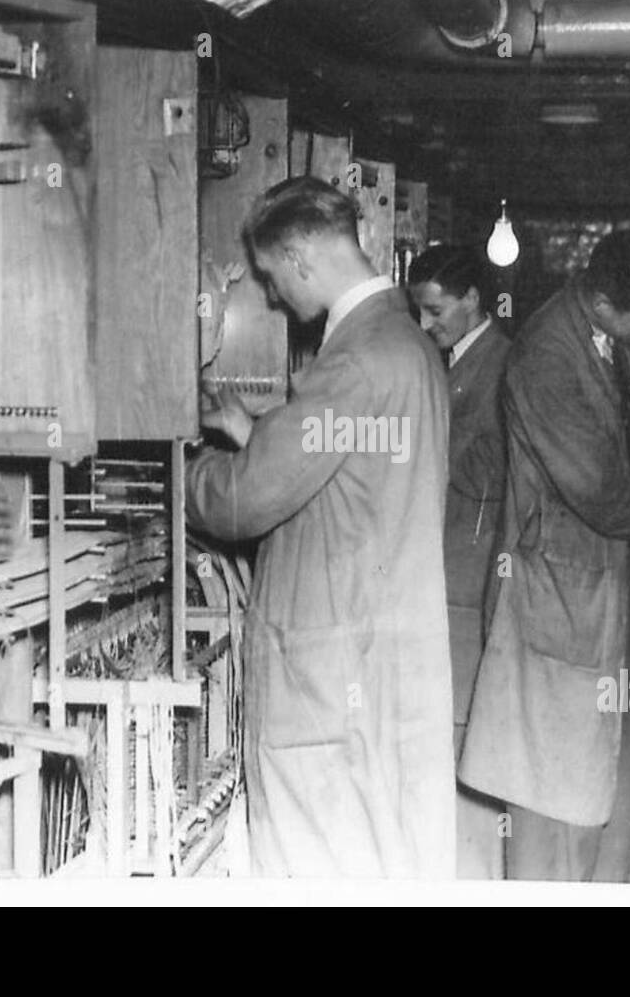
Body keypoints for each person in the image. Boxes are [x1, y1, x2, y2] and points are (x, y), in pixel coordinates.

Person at [185, 176, 455, 878]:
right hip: (375, 660)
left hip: (330, 681)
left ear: (300, 258)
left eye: (272, 276)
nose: (274, 297)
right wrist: (252, 428)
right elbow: (349, 471)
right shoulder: (403, 344)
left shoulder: (354, 361)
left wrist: (174, 466)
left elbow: (241, 500)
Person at [458, 228, 630, 881]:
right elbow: (600, 491)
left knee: (603, 793)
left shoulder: (606, 338)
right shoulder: (547, 356)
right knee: (555, 810)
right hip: (557, 603)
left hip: (601, 599)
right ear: (603, 303)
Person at [408, 244, 509, 879]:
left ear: (473, 299)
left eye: (435, 310)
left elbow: (474, 470)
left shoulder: (499, 365)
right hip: (447, 578)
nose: (425, 325)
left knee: (462, 737)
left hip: (466, 584)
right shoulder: (457, 362)